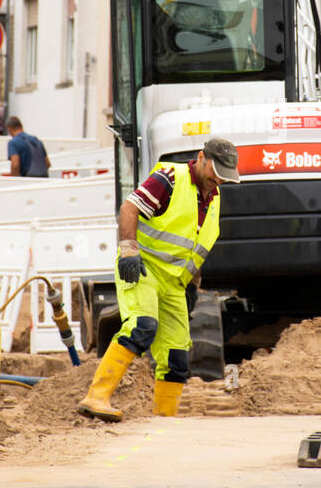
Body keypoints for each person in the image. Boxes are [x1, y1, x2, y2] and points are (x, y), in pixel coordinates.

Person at [78, 137, 240, 421]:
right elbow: (129, 208)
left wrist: (193, 284)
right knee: (142, 327)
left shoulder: (213, 198)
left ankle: (165, 419)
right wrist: (128, 252)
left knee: (177, 358)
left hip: (176, 283)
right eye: (216, 172)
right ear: (201, 158)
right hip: (144, 269)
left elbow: (195, 245)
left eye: (224, 177)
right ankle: (96, 397)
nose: (218, 180)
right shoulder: (171, 178)